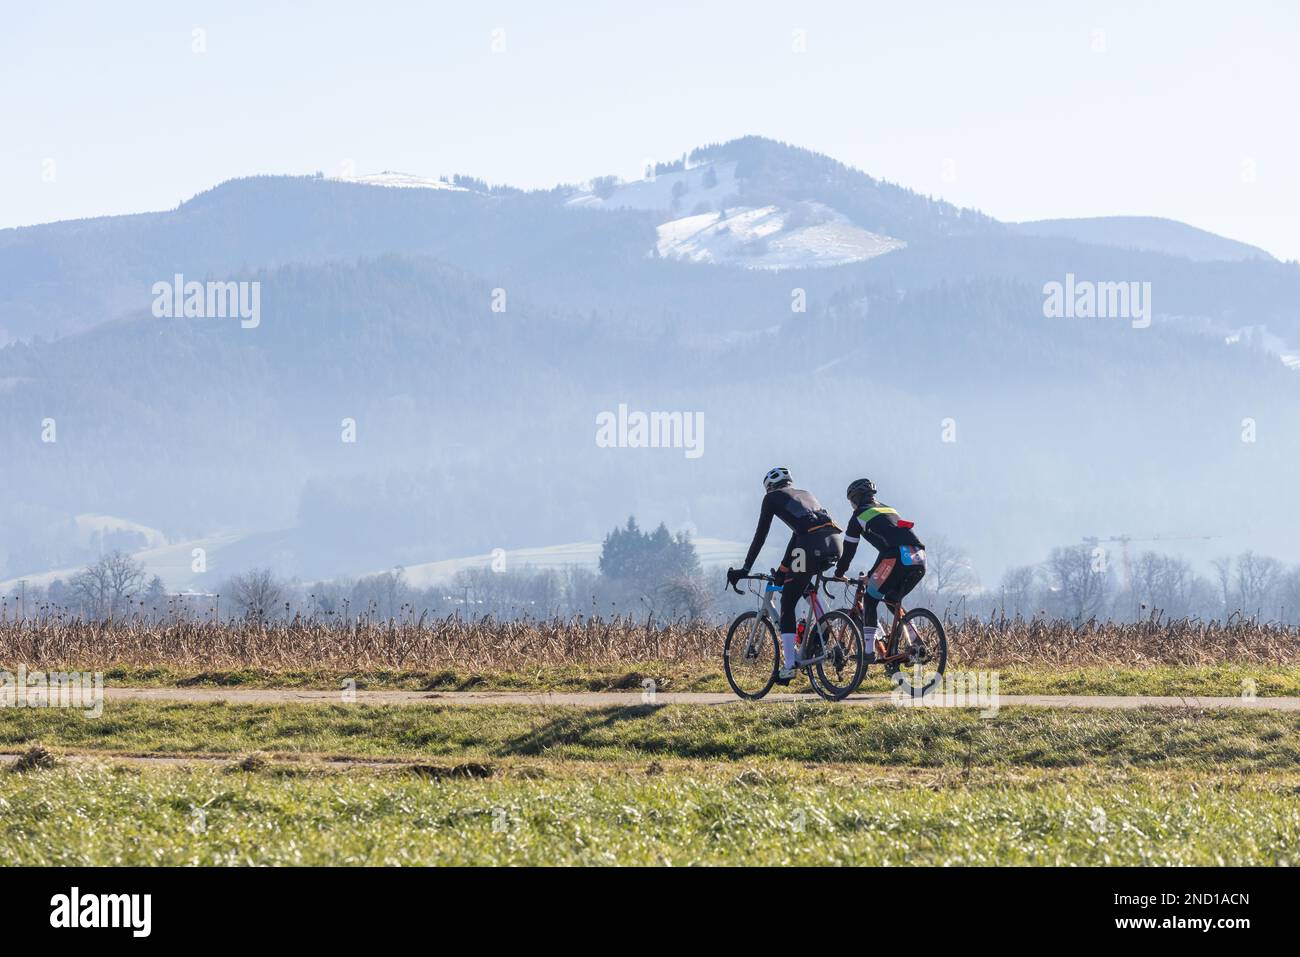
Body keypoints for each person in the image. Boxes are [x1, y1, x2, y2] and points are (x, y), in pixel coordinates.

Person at [727, 467, 842, 681]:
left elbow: (761, 535)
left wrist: (745, 568)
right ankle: (824, 622)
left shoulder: (771, 498)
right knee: (803, 585)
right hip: (833, 543)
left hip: (809, 544)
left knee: (788, 601)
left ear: (769, 487)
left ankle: (789, 666)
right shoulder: (806, 494)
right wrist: (783, 568)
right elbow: (798, 535)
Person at [833, 478, 926, 659]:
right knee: (891, 598)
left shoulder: (859, 515)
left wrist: (839, 572)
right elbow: (887, 548)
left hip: (897, 556)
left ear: (856, 499)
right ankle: (915, 641)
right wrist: (871, 574)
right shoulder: (889, 509)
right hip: (919, 556)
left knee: (870, 598)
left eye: (852, 501)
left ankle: (868, 652)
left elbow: (849, 552)